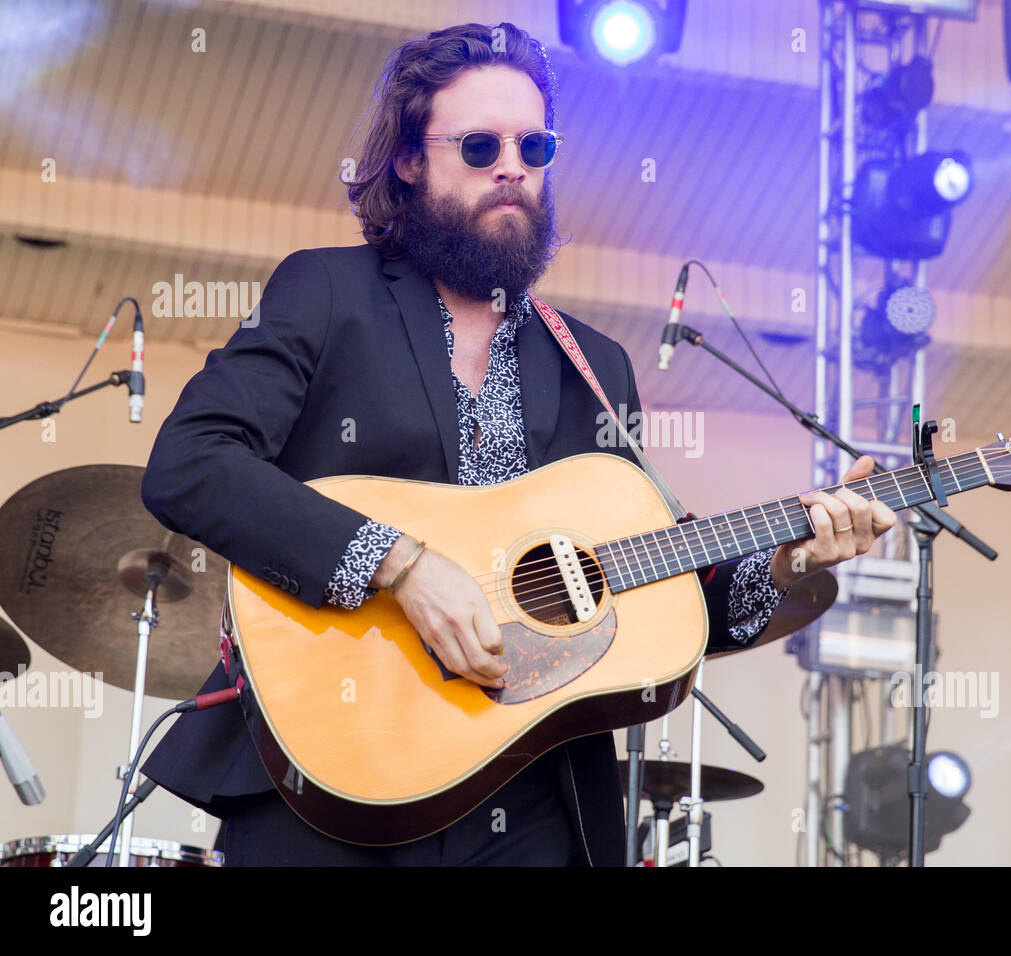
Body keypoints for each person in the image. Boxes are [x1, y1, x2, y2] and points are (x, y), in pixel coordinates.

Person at [139, 21, 897, 866]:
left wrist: (788, 560)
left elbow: (664, 594)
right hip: (335, 766)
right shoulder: (326, 292)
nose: (512, 166)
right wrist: (401, 564)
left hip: (536, 796)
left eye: (533, 146)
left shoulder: (594, 365)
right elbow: (191, 462)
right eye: (479, 146)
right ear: (409, 161)